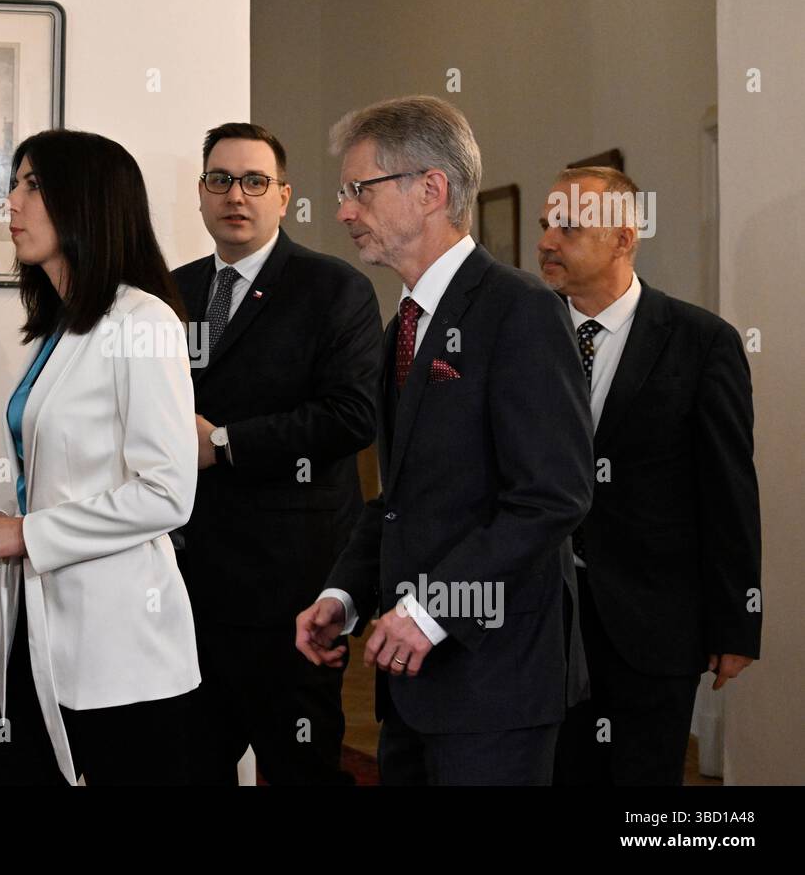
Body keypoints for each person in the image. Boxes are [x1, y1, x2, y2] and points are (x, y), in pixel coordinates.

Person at [295, 95, 595, 785]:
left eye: (359, 190)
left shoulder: (519, 311)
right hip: (413, 686)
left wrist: (434, 609)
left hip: (496, 682)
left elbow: (553, 495)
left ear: (431, 189)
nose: (343, 210)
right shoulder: (403, 322)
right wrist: (342, 597)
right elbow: (396, 499)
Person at [0, 129, 200, 785]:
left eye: (32, 185)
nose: (12, 203)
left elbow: (168, 492)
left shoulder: (144, 321)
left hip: (121, 649)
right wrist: (7, 522)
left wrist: (27, 532)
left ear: (88, 203)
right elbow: (69, 475)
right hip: (43, 626)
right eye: (14, 183)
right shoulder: (62, 324)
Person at [537, 167, 762, 785]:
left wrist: (736, 621)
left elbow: (728, 490)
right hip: (540, 617)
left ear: (623, 238)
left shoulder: (699, 342)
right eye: (545, 224)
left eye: (570, 226)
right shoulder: (522, 333)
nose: (547, 241)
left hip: (652, 622)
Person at [171, 123, 380, 784]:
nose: (237, 195)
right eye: (220, 180)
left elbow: (354, 415)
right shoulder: (167, 293)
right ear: (201, 195)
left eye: (255, 181)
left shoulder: (334, 289)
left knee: (300, 768)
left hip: (294, 590)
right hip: (190, 588)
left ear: (285, 196)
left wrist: (226, 444)